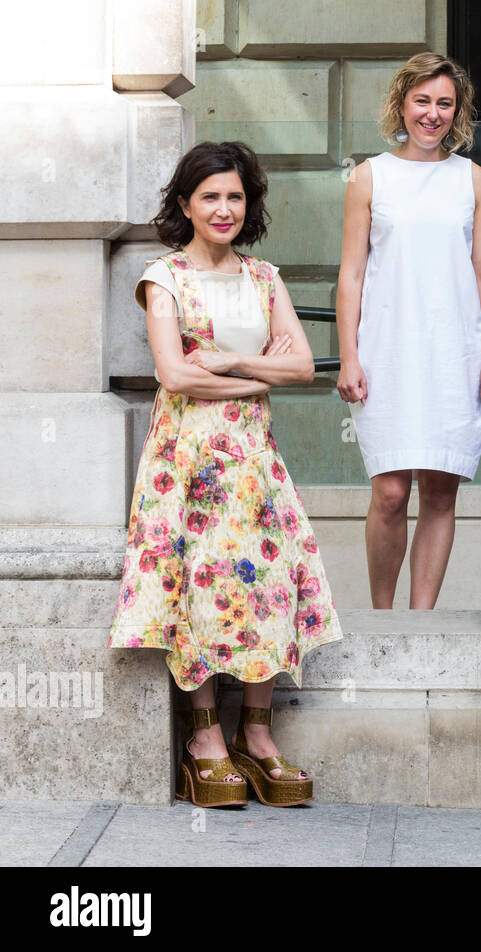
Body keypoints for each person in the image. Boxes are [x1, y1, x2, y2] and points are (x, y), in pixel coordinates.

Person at [109, 141, 345, 808]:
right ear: (185, 204)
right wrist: (249, 371)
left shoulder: (264, 278)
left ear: (250, 205)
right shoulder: (164, 278)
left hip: (254, 458)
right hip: (187, 459)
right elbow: (174, 374)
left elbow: (303, 368)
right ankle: (205, 738)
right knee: (202, 588)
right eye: (209, 196)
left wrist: (220, 363)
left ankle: (258, 736)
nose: (223, 208)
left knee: (268, 583)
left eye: (234, 197)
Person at [336, 52, 481, 609]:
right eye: (422, 101)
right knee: (388, 491)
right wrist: (348, 357)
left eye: (444, 104)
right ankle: (383, 618)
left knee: (440, 492)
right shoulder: (369, 177)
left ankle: (420, 622)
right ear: (401, 104)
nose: (432, 114)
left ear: (457, 112)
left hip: (453, 354)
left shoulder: (472, 179)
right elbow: (351, 273)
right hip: (385, 353)